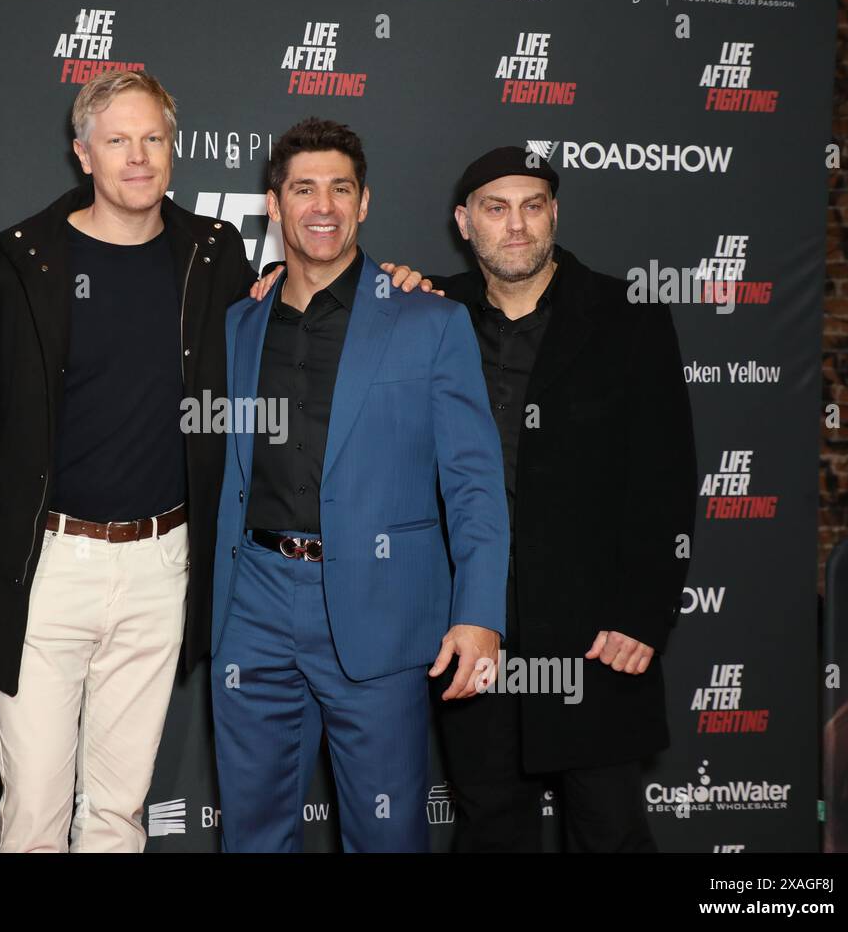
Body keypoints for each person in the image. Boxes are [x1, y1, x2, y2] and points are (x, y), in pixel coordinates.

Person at [209, 118, 509, 852]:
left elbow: (473, 480)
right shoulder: (237, 324)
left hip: (381, 607)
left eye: (340, 188)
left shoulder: (429, 321)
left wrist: (480, 616)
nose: (323, 205)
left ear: (364, 202)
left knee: (386, 833)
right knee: (252, 833)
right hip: (252, 599)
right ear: (273, 206)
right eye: (303, 188)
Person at [0, 70, 259, 852]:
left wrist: (407, 283)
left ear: (173, 149)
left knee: (118, 812)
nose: (138, 158)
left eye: (153, 139)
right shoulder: (21, 259)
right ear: (83, 154)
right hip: (47, 566)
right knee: (32, 812)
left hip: (161, 564)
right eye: (117, 141)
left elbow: (290, 317)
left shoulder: (213, 251)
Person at [423, 146, 697, 852]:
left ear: (554, 214)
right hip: (473, 622)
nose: (516, 225)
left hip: (596, 635)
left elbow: (665, 479)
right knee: (489, 826)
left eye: (533, 205)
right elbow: (323, 293)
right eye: (495, 207)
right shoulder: (429, 313)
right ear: (464, 222)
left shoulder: (627, 316)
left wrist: (643, 615)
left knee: (608, 828)